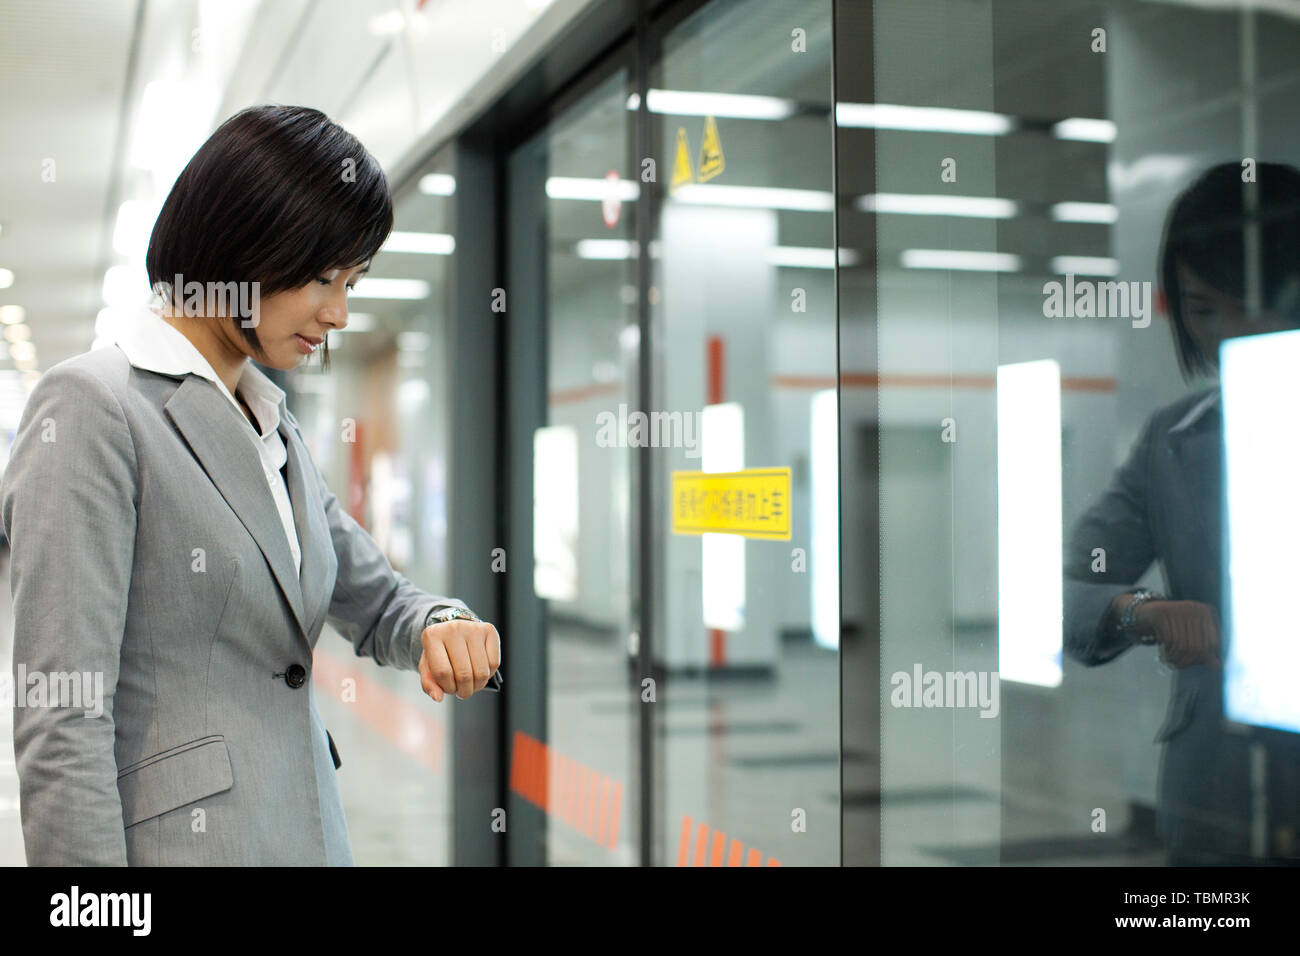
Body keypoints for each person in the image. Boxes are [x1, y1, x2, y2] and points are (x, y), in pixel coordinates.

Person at [0, 104, 501, 866]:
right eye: (323, 276)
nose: (337, 312)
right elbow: (62, 718)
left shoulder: (272, 423)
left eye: (354, 282)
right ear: (242, 246)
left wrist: (442, 622)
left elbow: (378, 599)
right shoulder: (96, 407)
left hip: (304, 834)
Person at [1064, 161, 1300, 865]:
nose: (1231, 333)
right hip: (1217, 796)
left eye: (1253, 303)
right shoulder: (1174, 440)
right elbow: (1071, 590)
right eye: (1203, 309)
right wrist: (1142, 613)